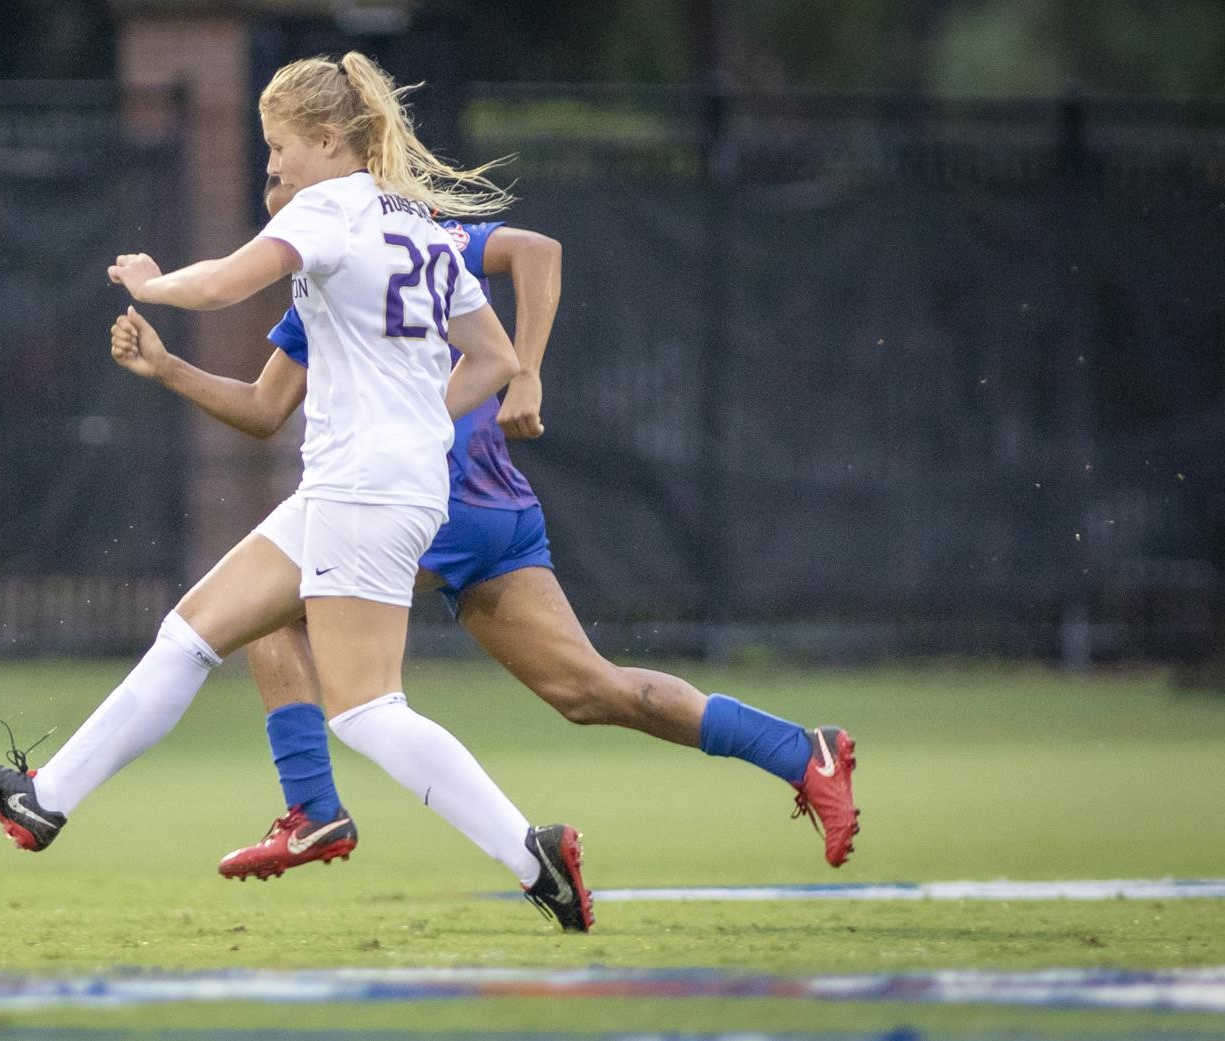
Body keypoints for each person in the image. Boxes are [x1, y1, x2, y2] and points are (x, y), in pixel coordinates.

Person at [0, 52, 594, 933]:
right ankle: (44, 800)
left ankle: (533, 854)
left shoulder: (331, 206)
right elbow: (493, 359)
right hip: (375, 484)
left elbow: (220, 284)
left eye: (279, 148)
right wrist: (418, 424)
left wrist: (149, 284)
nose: (276, 170)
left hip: (362, 487)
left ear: (328, 142)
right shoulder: (418, 221)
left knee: (368, 709)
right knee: (191, 632)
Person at [106, 179, 860, 884]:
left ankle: (313, 810)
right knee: (589, 689)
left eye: (281, 167)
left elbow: (536, 250)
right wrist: (170, 368)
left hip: (428, 494)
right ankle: (800, 750)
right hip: (489, 507)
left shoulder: (401, 235)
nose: (274, 190)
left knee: (272, 604)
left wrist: (525, 370)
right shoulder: (325, 296)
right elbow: (266, 409)